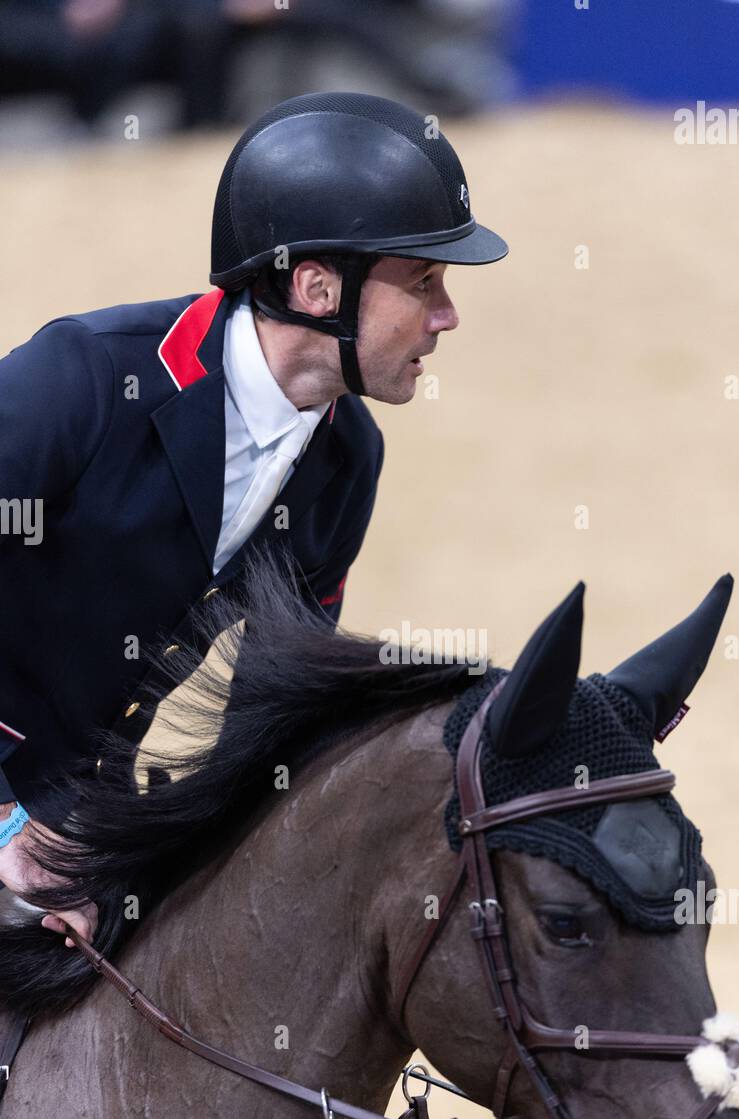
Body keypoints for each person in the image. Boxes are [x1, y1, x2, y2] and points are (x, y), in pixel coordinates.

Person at [0, 90, 508, 948]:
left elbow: (276, 696)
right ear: (317, 287)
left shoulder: (348, 459)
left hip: (81, 829)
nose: (447, 315)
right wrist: (7, 817)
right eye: (424, 283)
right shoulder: (83, 378)